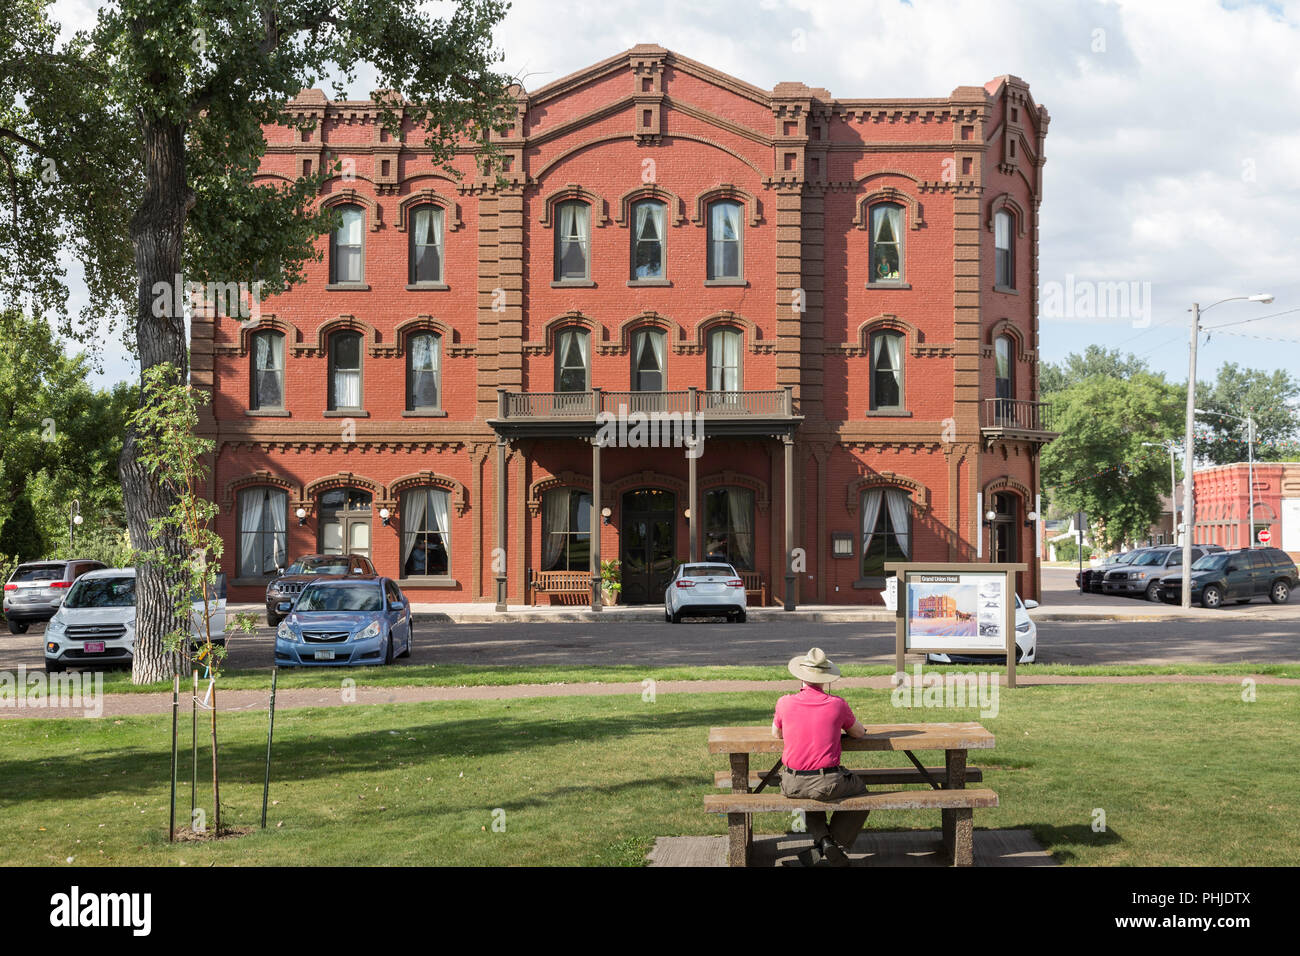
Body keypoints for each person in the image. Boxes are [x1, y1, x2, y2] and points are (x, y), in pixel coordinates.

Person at [772, 647, 869, 867]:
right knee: (862, 794)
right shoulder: (837, 704)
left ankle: (823, 842)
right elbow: (859, 733)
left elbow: (776, 733)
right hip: (828, 782)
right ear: (825, 679)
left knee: (806, 796)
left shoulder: (784, 702)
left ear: (800, 676)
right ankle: (833, 843)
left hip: (791, 782)